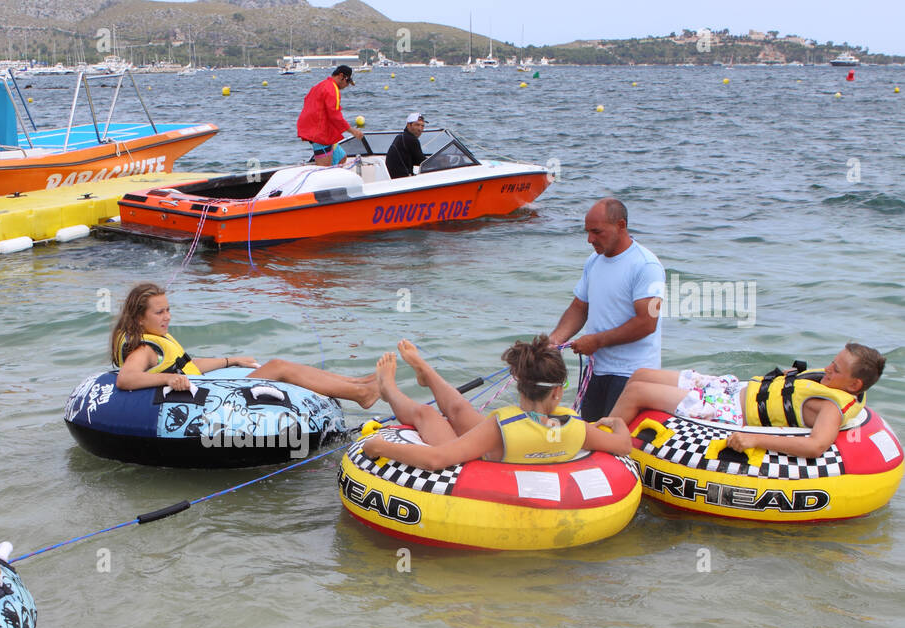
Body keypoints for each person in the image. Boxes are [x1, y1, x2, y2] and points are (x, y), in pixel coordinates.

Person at [359, 336, 631, 470]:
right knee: (460, 411)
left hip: (481, 462)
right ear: (558, 393)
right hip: (512, 442)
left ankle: (388, 388)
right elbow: (623, 445)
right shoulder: (576, 427)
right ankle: (426, 372)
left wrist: (379, 446)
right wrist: (617, 422)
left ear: (519, 384)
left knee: (427, 414)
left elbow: (437, 460)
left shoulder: (501, 425)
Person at [110, 282, 380, 407]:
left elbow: (187, 366)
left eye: (168, 309)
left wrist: (232, 360)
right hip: (210, 404)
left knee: (278, 366)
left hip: (204, 392)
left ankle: (357, 382)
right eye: (159, 313)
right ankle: (359, 394)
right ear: (139, 317)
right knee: (278, 367)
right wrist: (169, 379)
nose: (167, 316)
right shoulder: (144, 349)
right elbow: (126, 379)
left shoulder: (154, 342)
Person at [609, 343, 886, 458]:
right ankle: (607, 426)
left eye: (836, 369)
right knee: (640, 375)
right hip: (728, 388)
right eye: (831, 363)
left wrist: (754, 439)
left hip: (727, 412)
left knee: (638, 392)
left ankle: (605, 446)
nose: (827, 369)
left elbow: (816, 446)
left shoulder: (831, 407)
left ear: (854, 385)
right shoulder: (827, 382)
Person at [547, 198, 664, 421]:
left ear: (621, 225)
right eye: (587, 232)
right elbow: (579, 307)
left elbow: (647, 323)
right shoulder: (594, 261)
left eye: (597, 232)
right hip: (596, 371)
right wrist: (554, 340)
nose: (590, 239)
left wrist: (597, 341)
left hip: (631, 376)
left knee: (613, 440)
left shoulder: (647, 266)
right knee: (590, 436)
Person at [296, 65, 363, 167]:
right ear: (341, 76)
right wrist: (353, 131)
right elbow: (335, 116)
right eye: (347, 82)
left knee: (341, 157)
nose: (347, 85)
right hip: (320, 135)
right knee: (324, 169)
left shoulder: (320, 85)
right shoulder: (332, 89)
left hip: (317, 130)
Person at [385, 112, 427, 179]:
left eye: (422, 126)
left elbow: (417, 160)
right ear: (408, 125)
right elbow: (423, 163)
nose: (420, 129)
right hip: (403, 179)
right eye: (417, 125)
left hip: (394, 177)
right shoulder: (411, 139)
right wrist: (439, 162)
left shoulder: (401, 137)